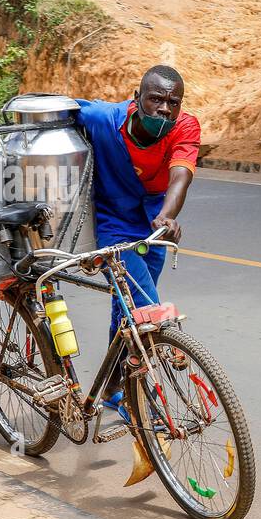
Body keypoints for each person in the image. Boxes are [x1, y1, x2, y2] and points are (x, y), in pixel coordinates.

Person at [76, 64, 199, 418]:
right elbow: (62, 110)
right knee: (145, 307)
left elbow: (180, 179)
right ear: (137, 98)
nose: (164, 108)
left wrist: (167, 216)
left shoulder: (185, 126)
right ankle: (139, 399)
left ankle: (114, 387)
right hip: (114, 225)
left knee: (127, 308)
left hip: (154, 225)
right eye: (156, 99)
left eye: (172, 102)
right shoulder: (105, 119)